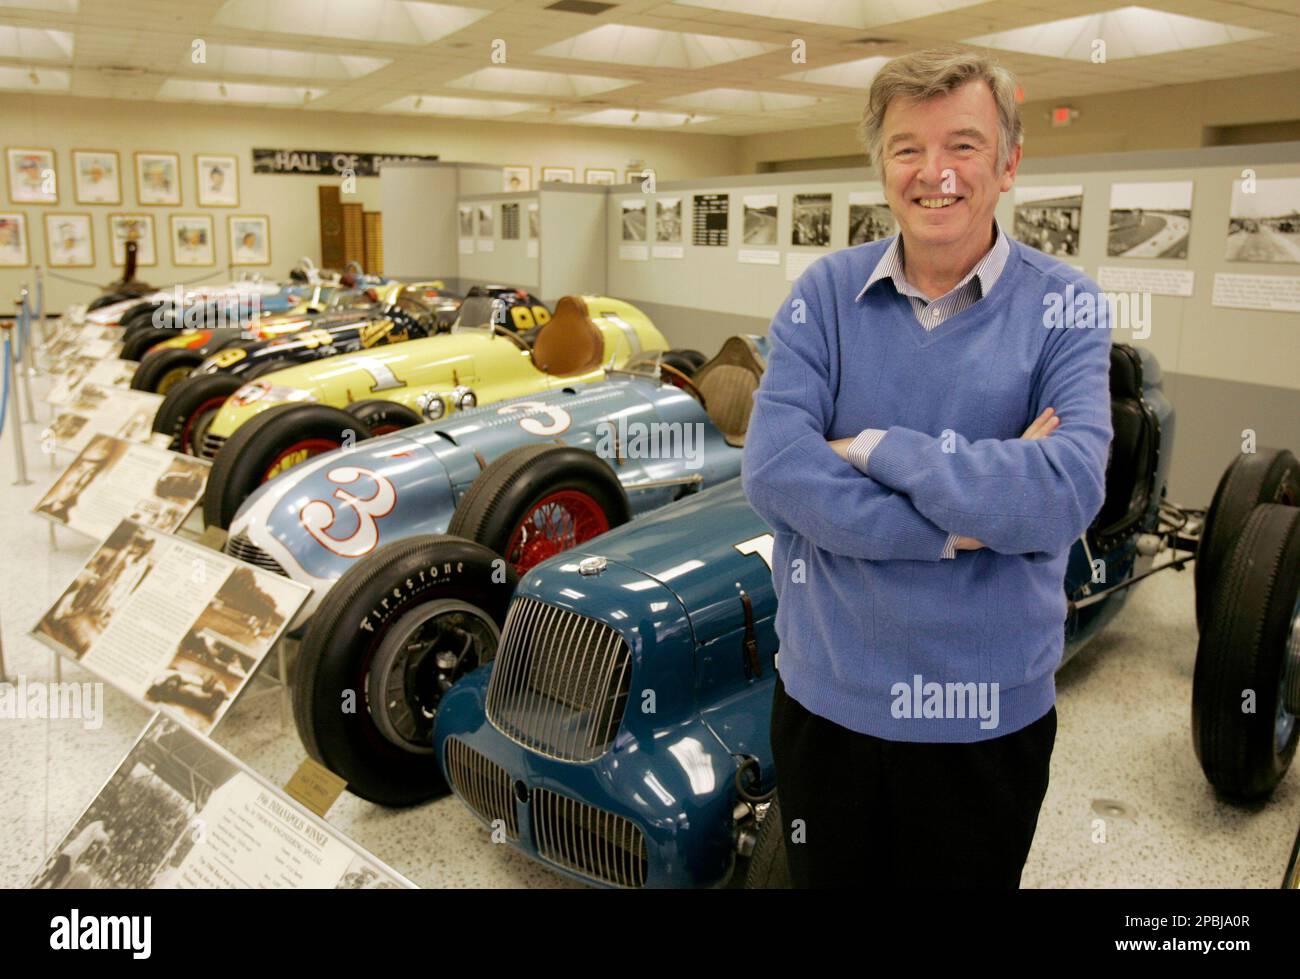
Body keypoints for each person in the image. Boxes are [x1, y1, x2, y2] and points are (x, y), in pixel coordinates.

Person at [741, 48, 1114, 888]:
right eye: (908, 147)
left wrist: (875, 448)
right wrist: (963, 526)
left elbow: (1063, 492)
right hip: (825, 709)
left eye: (964, 145)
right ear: (881, 167)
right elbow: (772, 472)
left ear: (1010, 162)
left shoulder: (1066, 305)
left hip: (985, 725)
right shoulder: (823, 295)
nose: (933, 172)